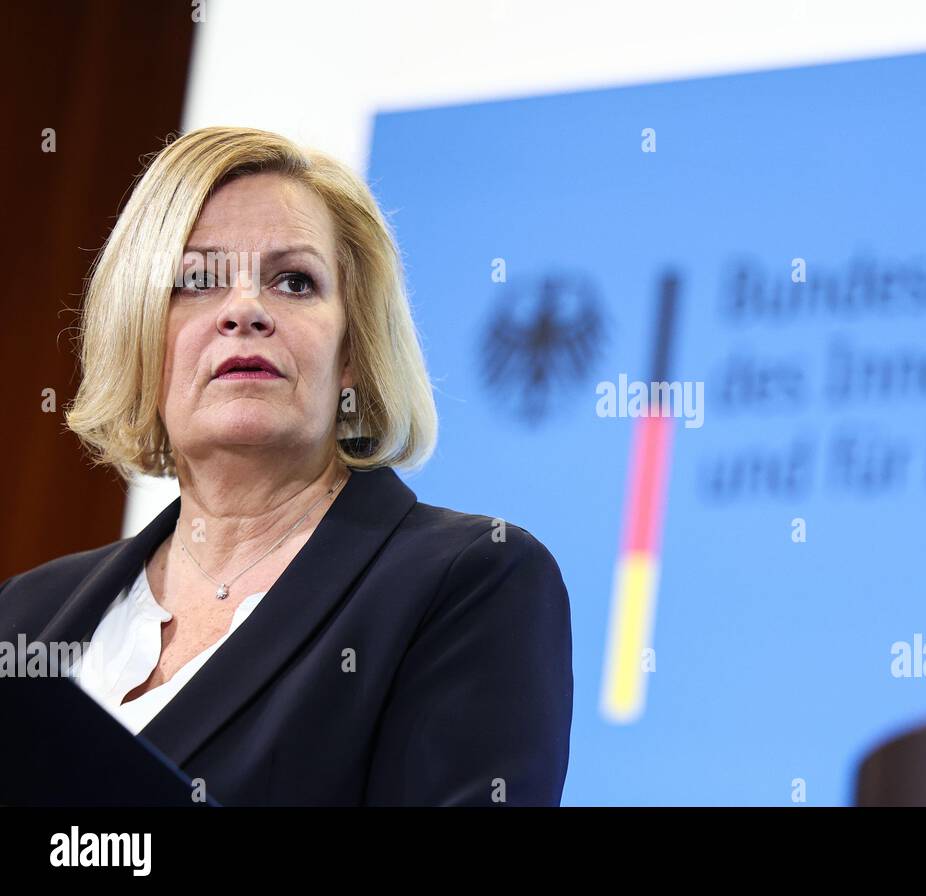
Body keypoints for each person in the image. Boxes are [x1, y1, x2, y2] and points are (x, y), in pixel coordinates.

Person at [0, 126, 573, 806]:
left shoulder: (469, 583)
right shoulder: (23, 614)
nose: (245, 310)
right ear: (140, 336)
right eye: (196, 281)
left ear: (352, 352)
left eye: (294, 281)